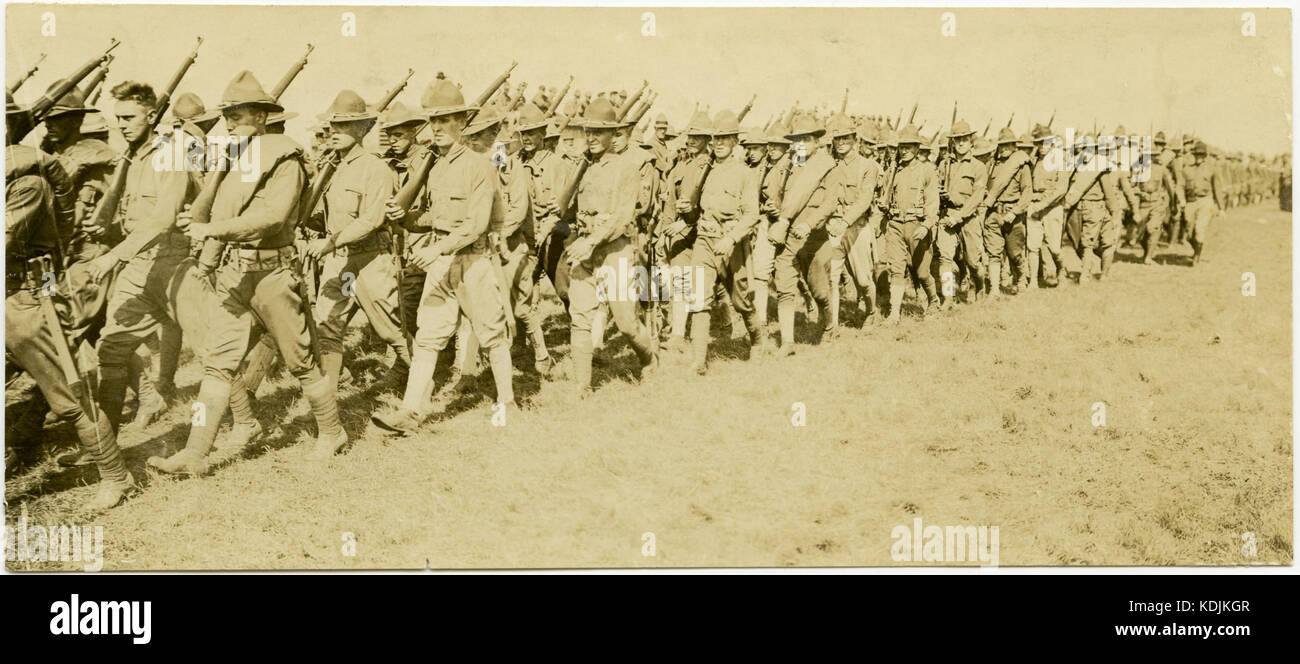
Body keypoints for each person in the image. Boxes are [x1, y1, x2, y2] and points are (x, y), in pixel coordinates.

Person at [150, 70, 347, 473]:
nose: (229, 122)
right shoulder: (235, 156)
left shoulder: (285, 155)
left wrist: (209, 231)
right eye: (226, 115)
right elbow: (221, 212)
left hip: (274, 276)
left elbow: (272, 218)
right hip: (235, 275)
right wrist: (208, 258)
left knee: (302, 363)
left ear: (261, 115)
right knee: (217, 364)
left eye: (237, 114)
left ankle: (332, 432)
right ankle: (195, 451)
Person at [372, 74, 516, 432]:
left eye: (444, 120)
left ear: (461, 123)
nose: (436, 128)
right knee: (428, 336)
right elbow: (436, 217)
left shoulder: (481, 166)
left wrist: (436, 247)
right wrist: (405, 218)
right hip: (442, 260)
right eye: (433, 120)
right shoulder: (435, 167)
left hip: (473, 260)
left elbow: (477, 224)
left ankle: (508, 402)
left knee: (491, 333)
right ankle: (411, 411)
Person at [302, 89, 408, 395]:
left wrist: (329, 242)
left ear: (362, 129)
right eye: (332, 126)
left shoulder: (375, 169)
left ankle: (417, 381)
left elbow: (372, 219)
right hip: (342, 264)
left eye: (343, 126)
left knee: (390, 330)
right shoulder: (332, 168)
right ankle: (330, 394)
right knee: (328, 328)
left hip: (370, 261)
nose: (334, 132)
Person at [686, 109, 762, 373]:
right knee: (698, 297)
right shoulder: (704, 170)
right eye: (715, 138)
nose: (719, 143)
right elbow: (696, 207)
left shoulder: (744, 173)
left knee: (742, 300)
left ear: (734, 142)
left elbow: (752, 214)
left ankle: (757, 341)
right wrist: (688, 210)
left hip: (732, 244)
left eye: (725, 138)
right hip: (705, 240)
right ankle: (699, 360)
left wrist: (731, 238)